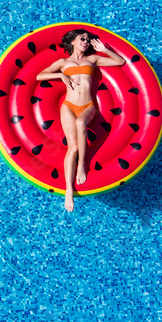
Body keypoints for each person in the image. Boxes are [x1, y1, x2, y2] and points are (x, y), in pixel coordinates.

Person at [37, 29, 126, 211]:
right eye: (82, 39)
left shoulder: (92, 60)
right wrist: (61, 75)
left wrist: (103, 49)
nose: (86, 42)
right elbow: (40, 75)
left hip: (88, 106)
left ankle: (81, 166)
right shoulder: (63, 62)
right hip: (68, 106)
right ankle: (69, 190)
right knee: (73, 147)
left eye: (88, 40)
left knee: (80, 124)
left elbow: (120, 61)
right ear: (73, 42)